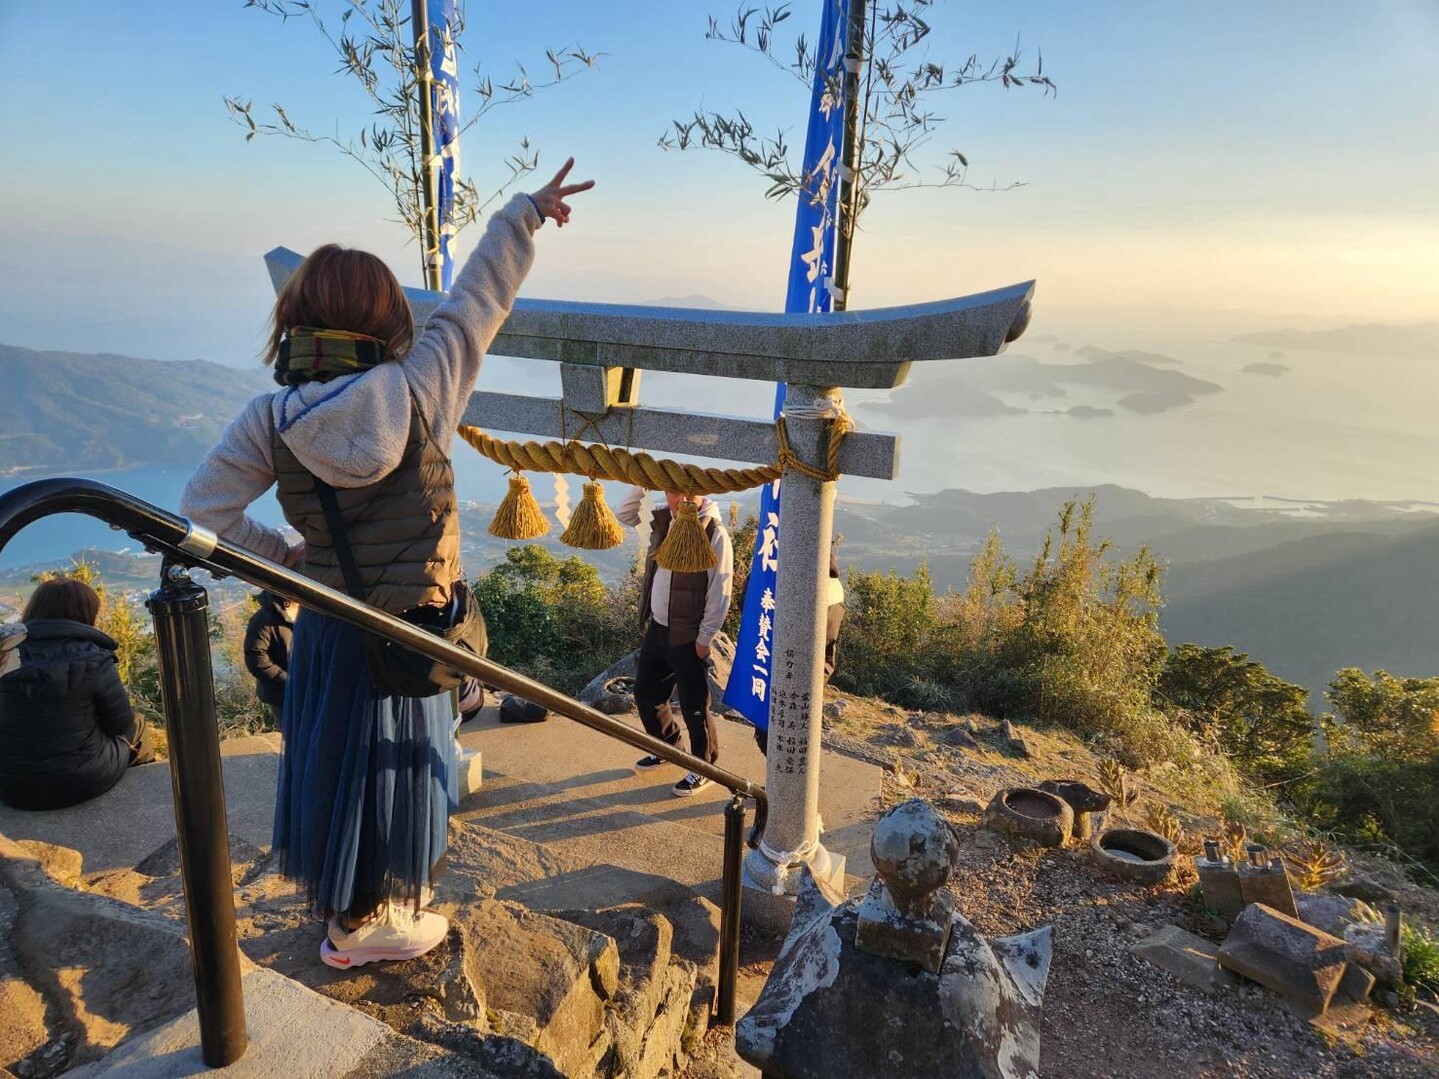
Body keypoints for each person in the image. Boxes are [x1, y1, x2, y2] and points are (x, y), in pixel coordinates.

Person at [180, 160, 593, 970]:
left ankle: (352, 912)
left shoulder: (269, 417)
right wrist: (523, 214)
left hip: (333, 627)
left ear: (296, 319)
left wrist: (290, 564)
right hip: (412, 629)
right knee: (400, 772)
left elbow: (205, 510)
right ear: (388, 320)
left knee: (340, 769)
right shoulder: (421, 385)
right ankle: (363, 931)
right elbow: (477, 300)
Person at [617, 487, 734, 797]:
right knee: (647, 695)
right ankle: (668, 748)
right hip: (658, 627)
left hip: (689, 634)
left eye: (689, 492)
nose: (681, 500)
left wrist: (705, 636)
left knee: (695, 706)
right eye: (673, 491)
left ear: (702, 492)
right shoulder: (662, 519)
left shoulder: (713, 531)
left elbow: (720, 589)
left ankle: (705, 767)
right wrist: (643, 484)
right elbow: (624, 515)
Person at [0, 577, 154, 810]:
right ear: (86, 613)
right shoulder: (94, 657)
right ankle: (145, 789)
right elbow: (121, 725)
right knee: (138, 724)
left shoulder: (5, 653)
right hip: (79, 781)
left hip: (10, 786)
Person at [751, 547, 845, 757]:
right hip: (825, 603)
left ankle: (783, 768)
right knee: (799, 705)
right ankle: (790, 766)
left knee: (780, 717)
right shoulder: (828, 577)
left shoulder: (784, 550)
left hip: (805, 607)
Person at [244, 590, 298, 726]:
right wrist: (288, 680)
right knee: (292, 731)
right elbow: (257, 661)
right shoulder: (263, 620)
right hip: (282, 695)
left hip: (310, 690)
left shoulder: (310, 614)